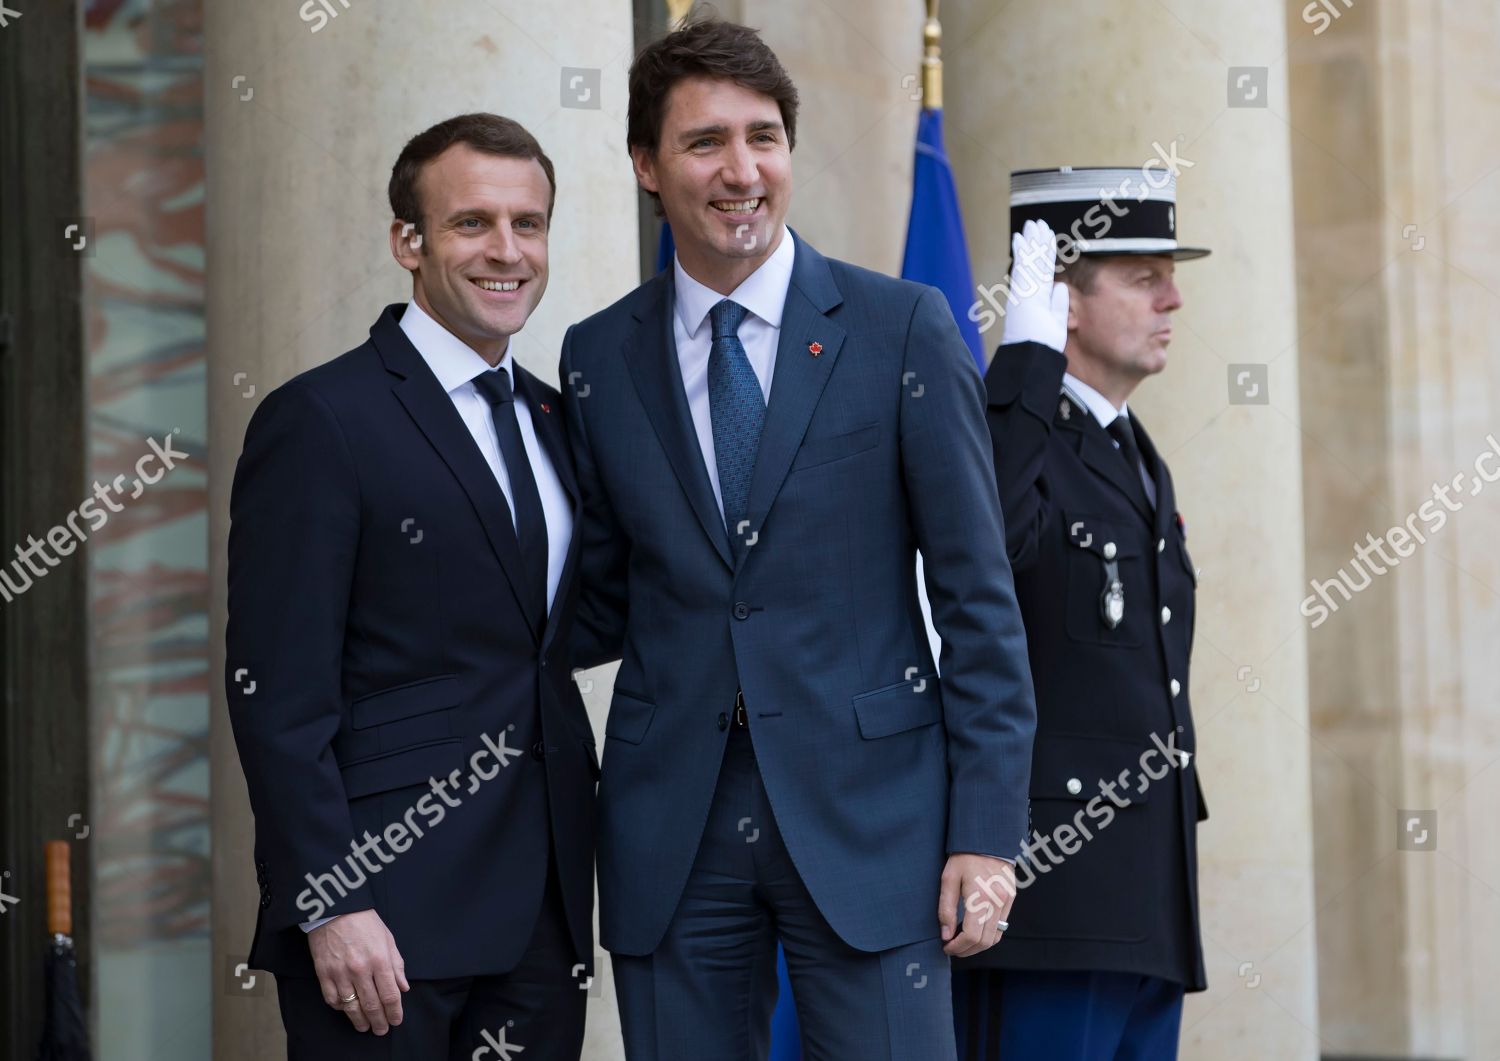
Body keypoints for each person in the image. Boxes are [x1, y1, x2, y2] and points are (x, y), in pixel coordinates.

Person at [559, 18, 1036, 1060]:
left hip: (877, 821)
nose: (743, 171)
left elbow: (978, 598)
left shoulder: (902, 327)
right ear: (646, 165)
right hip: (670, 828)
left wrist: (986, 832)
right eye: (706, 142)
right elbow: (599, 594)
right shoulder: (596, 358)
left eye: (764, 138)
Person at [225, 112, 595, 1060]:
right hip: (383, 912)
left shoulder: (556, 418)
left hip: (543, 911)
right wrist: (329, 897)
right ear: (408, 242)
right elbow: (277, 691)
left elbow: (548, 635)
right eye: (472, 222)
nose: (507, 250)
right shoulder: (321, 418)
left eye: (528, 223)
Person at [953, 167, 1211, 1060]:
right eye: (1144, 278)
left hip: (1147, 897)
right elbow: (980, 545)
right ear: (1062, 301)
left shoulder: (1138, 453)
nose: (1173, 298)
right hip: (1051, 899)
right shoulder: (1022, 438)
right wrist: (1024, 361)